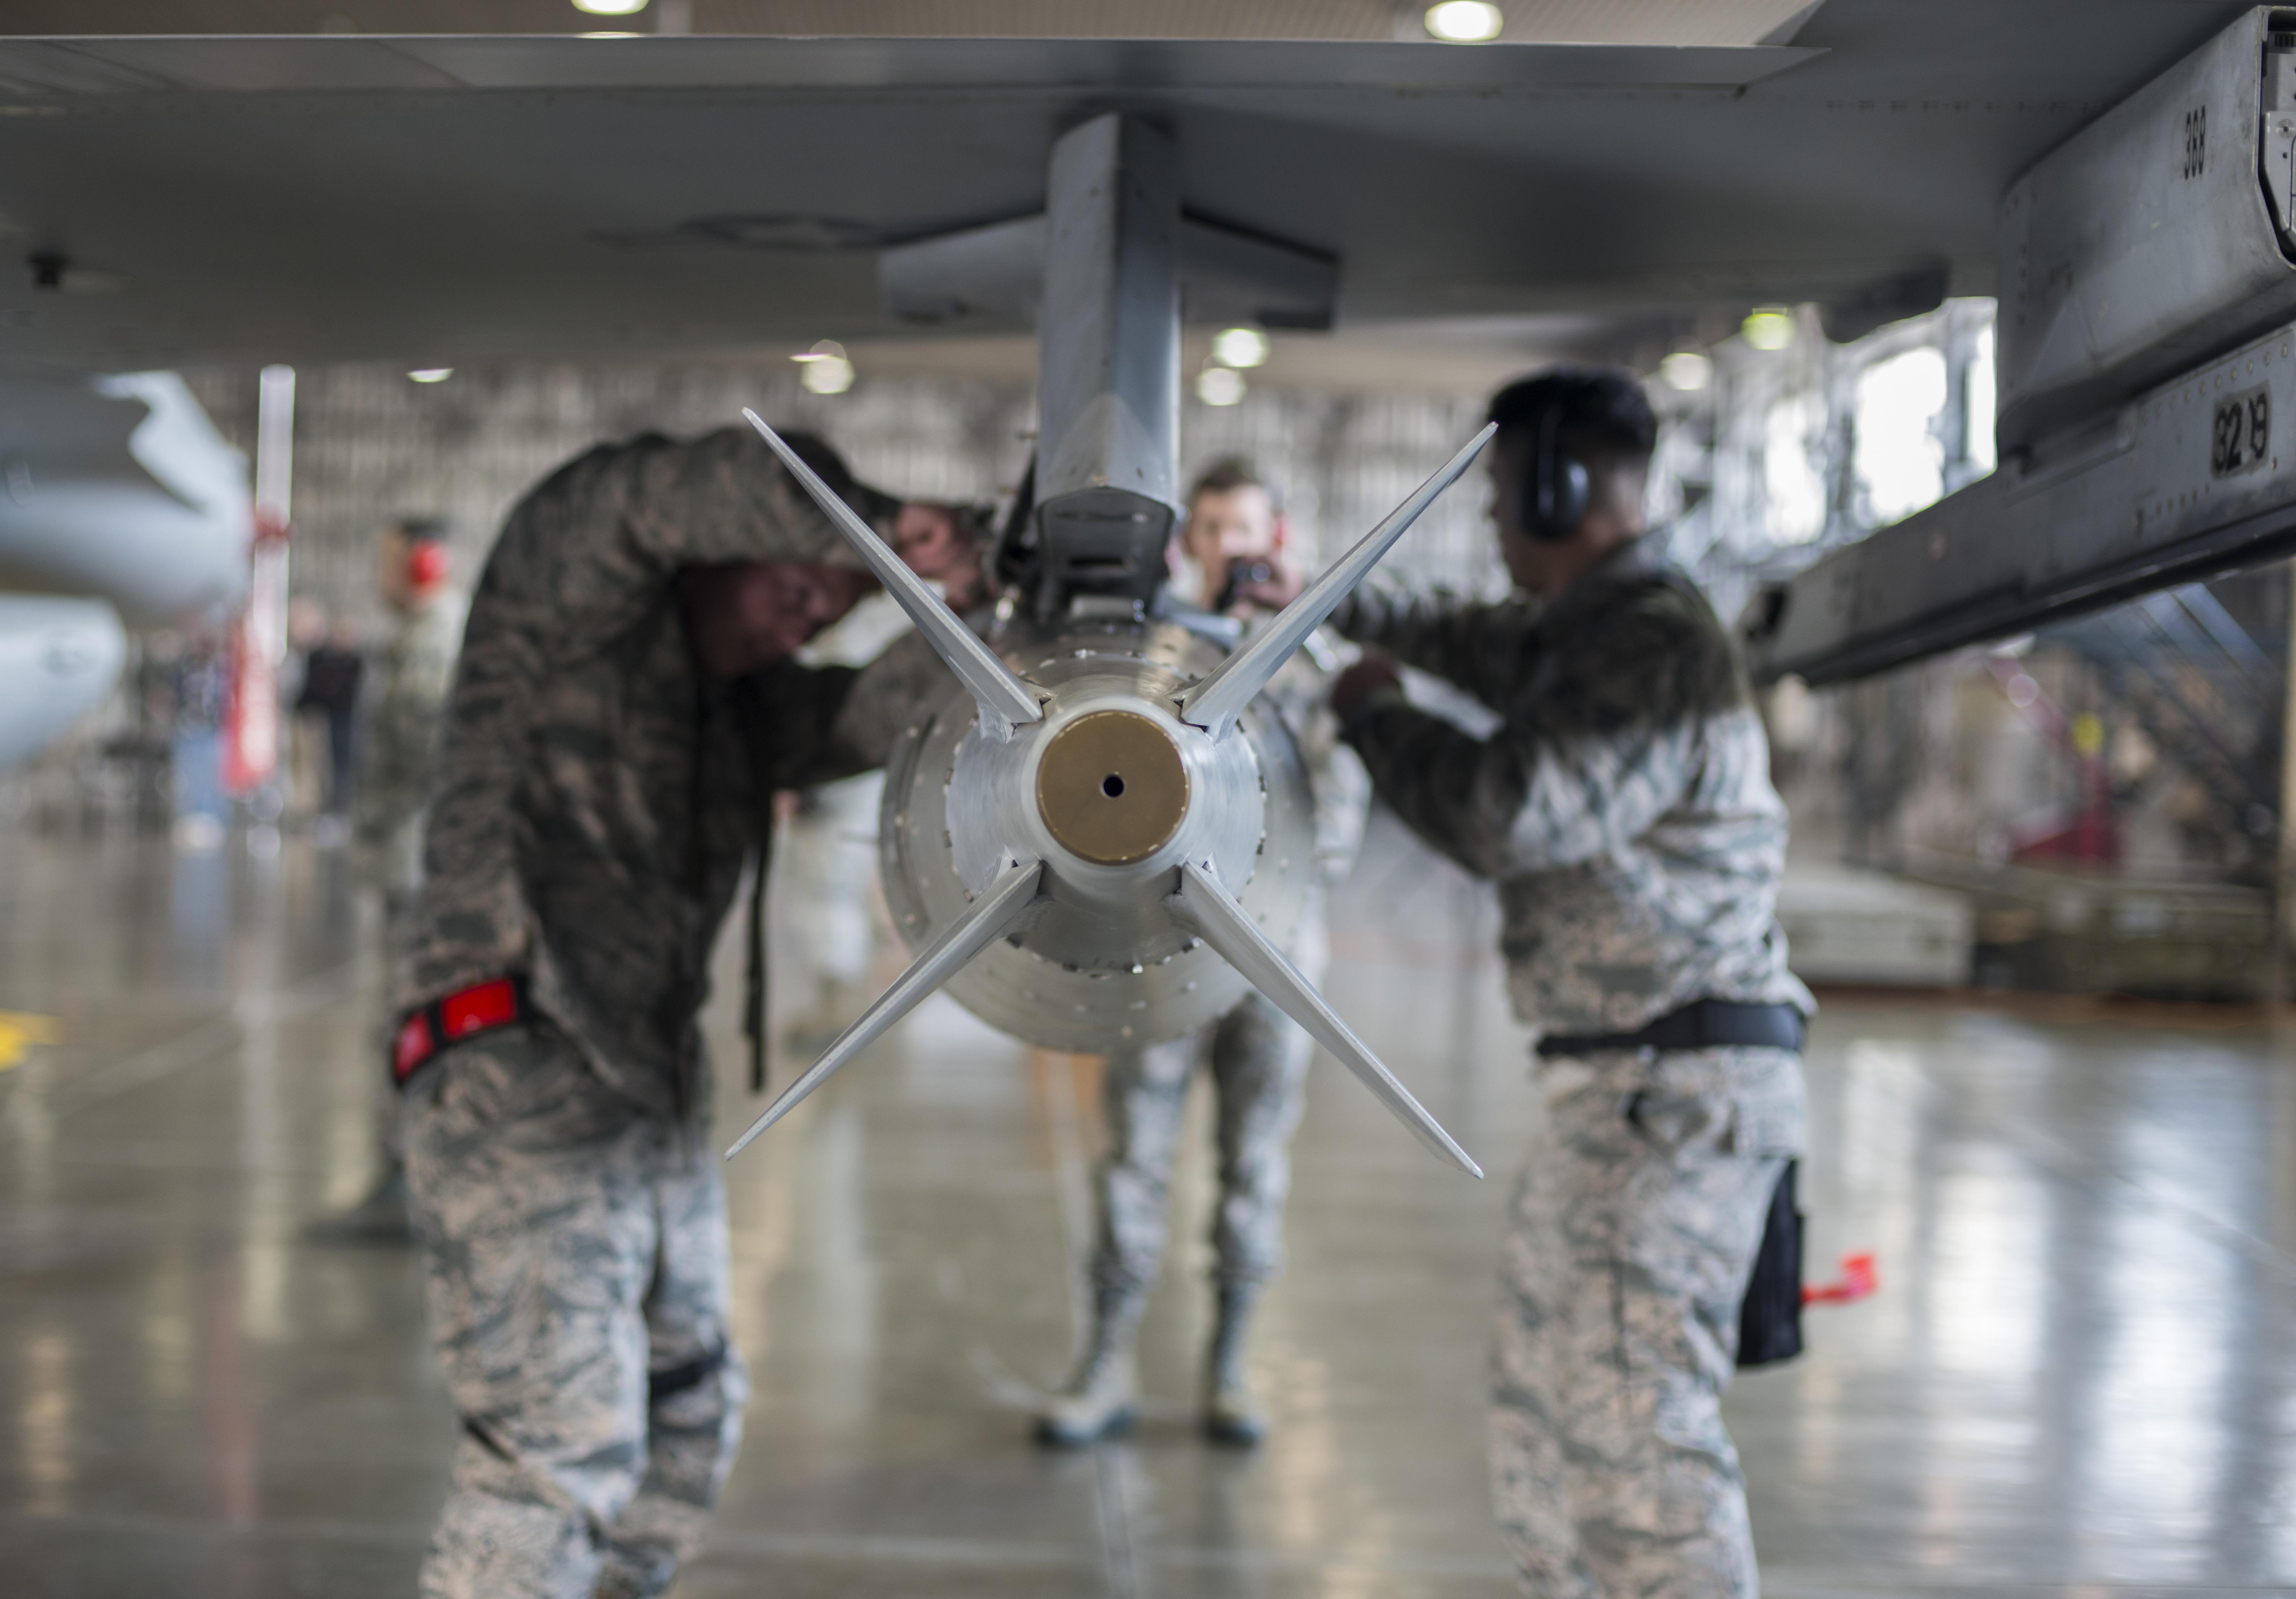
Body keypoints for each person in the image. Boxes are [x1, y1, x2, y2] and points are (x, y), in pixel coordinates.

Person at [394, 423, 972, 1599]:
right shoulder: (567, 604)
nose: (801, 617)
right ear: (729, 544)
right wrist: (880, 521)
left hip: (646, 1090)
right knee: (551, 1458)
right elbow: (646, 494)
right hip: (519, 1060)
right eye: (793, 581)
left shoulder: (739, 709)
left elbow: (879, 714)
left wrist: (995, 602)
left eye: (826, 613)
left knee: (689, 1413)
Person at [1321, 369, 1811, 1597]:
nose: (1491, 523)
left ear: (1558, 485)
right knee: (1548, 1422)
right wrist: (1317, 605)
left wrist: (1372, 712)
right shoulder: (1583, 626)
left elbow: (1507, 812)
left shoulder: (1649, 641)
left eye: (1498, 496)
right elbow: (1475, 639)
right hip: (1618, 1095)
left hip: (1674, 1095)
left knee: (1637, 1450)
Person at [1036, 457, 1368, 1449]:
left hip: (1274, 959)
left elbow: (1340, 811)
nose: (1230, 548)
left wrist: (1267, 886)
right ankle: (1103, 1365)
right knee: (1133, 1161)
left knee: (1253, 1165)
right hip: (1165, 952)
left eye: (1247, 531)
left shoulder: (1314, 660)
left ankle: (1229, 1366)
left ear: (1280, 538)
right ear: (1190, 544)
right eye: (1214, 529)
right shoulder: (1148, 662)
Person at [314, 517, 468, 1242]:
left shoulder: (435, 643)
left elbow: (432, 763)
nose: (379, 576)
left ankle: (410, 1178)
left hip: (422, 870)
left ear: (423, 564)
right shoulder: (415, 639)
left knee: (408, 1020)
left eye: (388, 560)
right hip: (408, 862)